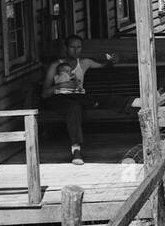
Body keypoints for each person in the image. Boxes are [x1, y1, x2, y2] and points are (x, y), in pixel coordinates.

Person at [41, 35, 114, 165]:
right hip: (59, 98)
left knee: (84, 102)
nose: (76, 50)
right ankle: (76, 150)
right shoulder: (56, 66)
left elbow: (105, 66)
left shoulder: (84, 63)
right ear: (66, 48)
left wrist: (111, 60)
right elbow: (45, 93)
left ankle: (131, 102)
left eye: (79, 47)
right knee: (75, 106)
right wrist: (61, 85)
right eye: (72, 47)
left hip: (77, 97)